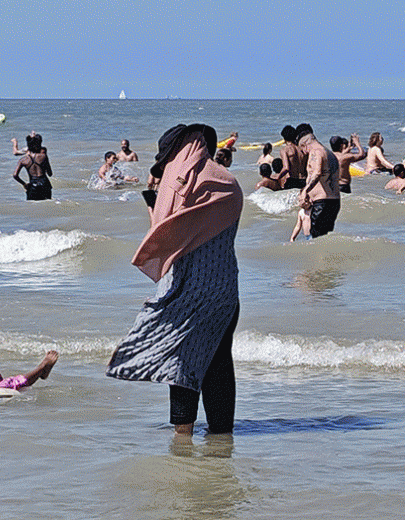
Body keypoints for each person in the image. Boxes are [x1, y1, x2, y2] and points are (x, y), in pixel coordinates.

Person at [107, 123, 244, 435]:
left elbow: (164, 236)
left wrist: (154, 205)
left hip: (185, 291)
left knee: (181, 362)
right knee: (219, 361)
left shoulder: (174, 186)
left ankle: (183, 436)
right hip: (223, 290)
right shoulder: (229, 183)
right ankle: (222, 434)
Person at [297, 124, 342, 238]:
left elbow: (317, 173)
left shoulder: (316, 151)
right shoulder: (330, 153)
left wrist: (305, 191)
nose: (304, 153)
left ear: (304, 144)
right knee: (324, 238)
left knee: (315, 239)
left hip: (322, 203)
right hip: (334, 202)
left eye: (302, 150)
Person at [14, 133, 53, 200]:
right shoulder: (43, 156)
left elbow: (15, 175)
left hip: (33, 186)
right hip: (45, 184)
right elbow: (50, 174)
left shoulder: (23, 160)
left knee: (32, 208)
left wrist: (24, 184)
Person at [278, 125, 308, 190]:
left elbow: (286, 168)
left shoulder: (285, 150)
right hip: (305, 180)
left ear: (284, 137)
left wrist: (278, 177)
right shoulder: (302, 148)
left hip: (293, 181)